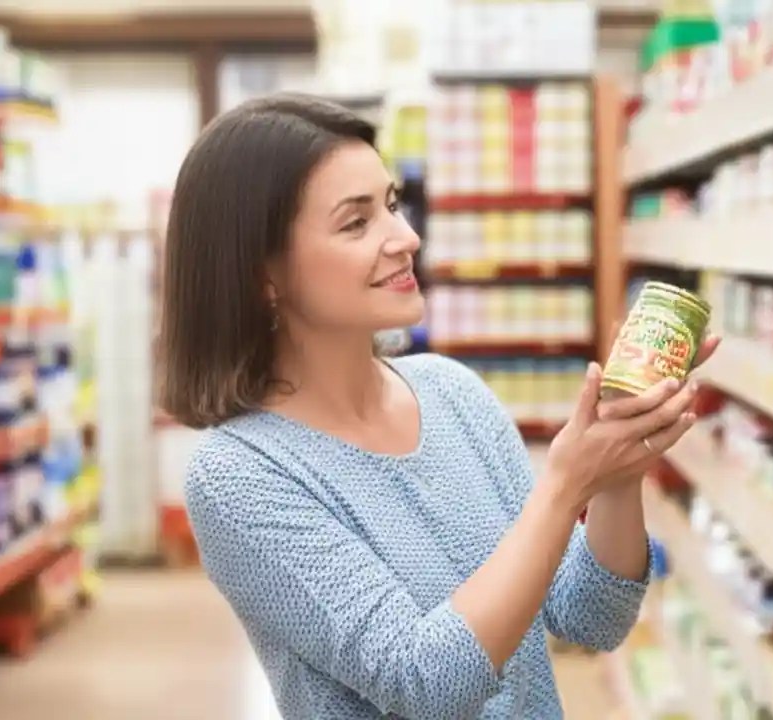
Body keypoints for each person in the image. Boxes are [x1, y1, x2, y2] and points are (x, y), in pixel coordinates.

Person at [158, 93, 718, 720]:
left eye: (392, 206)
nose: (406, 237)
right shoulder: (239, 478)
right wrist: (564, 487)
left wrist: (618, 471)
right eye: (355, 222)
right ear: (262, 274)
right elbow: (425, 683)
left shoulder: (453, 394)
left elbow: (590, 616)